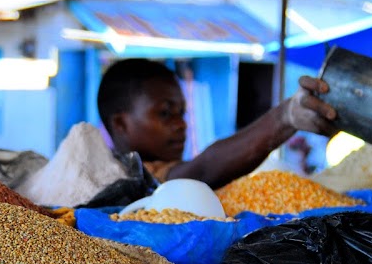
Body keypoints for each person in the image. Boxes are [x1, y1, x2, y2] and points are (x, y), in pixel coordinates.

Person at [96, 58, 338, 189]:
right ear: (121, 124)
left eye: (182, 112)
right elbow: (201, 170)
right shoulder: (117, 178)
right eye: (165, 113)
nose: (181, 124)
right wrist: (285, 117)